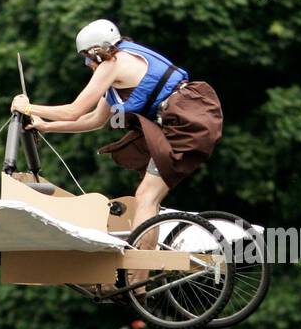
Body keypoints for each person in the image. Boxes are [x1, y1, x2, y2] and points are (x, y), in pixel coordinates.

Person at [11, 18, 222, 250]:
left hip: (187, 118)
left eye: (86, 56)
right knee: (147, 200)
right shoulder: (118, 70)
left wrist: (28, 108)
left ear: (96, 51)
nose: (86, 63)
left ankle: (138, 276)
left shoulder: (112, 65)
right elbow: (93, 120)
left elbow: (74, 110)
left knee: (145, 198)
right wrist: (47, 126)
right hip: (184, 118)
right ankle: (144, 274)